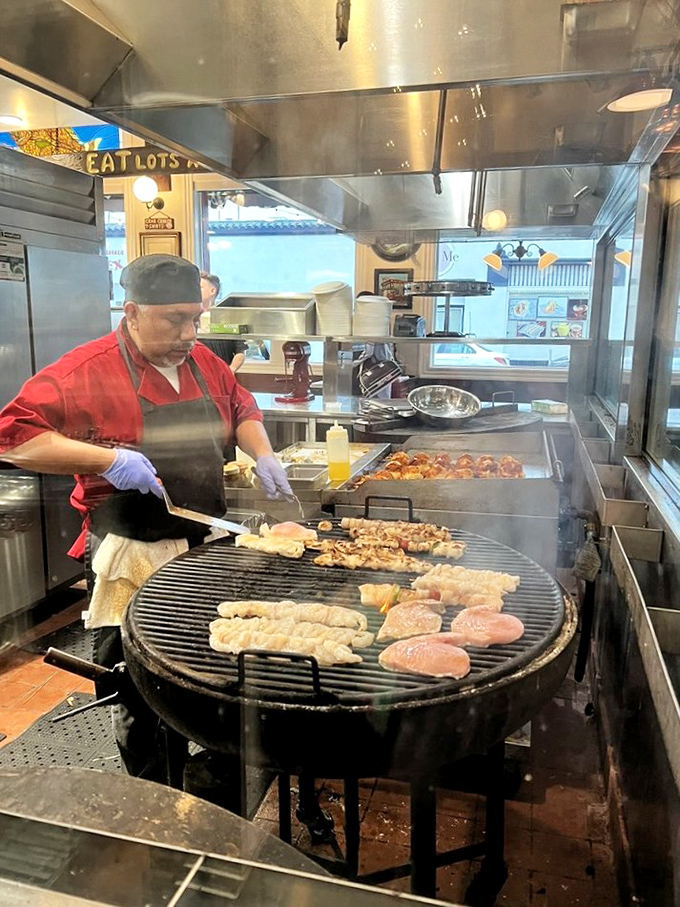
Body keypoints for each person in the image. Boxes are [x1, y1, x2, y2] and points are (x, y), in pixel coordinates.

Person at [0, 253, 292, 783]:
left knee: (210, 663)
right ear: (132, 312)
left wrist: (262, 452)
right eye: (174, 320)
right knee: (137, 682)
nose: (189, 333)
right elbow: (13, 436)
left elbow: (243, 408)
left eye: (195, 318)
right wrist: (107, 459)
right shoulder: (84, 370)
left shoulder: (206, 363)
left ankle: (211, 777)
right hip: (130, 550)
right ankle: (153, 793)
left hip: (204, 543)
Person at [200, 271, 247, 372]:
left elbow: (240, 352)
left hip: (222, 375)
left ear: (212, 290)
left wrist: (231, 370)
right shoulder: (189, 317)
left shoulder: (227, 318)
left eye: (200, 287)